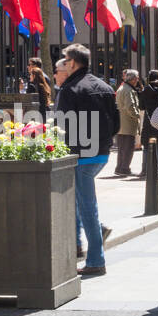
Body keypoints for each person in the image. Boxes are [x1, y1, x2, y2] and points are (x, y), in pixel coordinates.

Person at [55, 44, 118, 276]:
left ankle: (95, 260)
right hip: (101, 153)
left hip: (80, 156)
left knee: (87, 207)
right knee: (81, 201)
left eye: (65, 59)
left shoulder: (70, 89)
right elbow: (117, 122)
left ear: (72, 62)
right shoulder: (104, 86)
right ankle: (81, 244)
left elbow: (61, 126)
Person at [136, 69, 158, 178]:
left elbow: (141, 106)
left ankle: (145, 171)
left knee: (147, 146)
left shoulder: (146, 90)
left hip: (150, 120)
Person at [114, 69, 142, 176]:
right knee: (128, 148)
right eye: (137, 78)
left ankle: (120, 167)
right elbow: (130, 107)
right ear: (134, 79)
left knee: (122, 148)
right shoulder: (128, 90)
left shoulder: (122, 88)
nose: (138, 80)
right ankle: (124, 169)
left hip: (121, 123)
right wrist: (137, 115)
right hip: (128, 124)